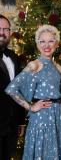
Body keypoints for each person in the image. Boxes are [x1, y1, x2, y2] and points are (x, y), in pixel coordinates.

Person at [6, 25, 61, 160]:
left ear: (56, 44)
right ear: (37, 44)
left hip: (57, 117)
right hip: (42, 118)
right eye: (42, 41)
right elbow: (12, 88)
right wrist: (30, 106)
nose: (47, 45)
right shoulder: (34, 65)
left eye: (51, 41)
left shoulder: (59, 68)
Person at [0, 14, 25, 160]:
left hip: (11, 126)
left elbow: (19, 90)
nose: (2, 32)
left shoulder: (14, 58)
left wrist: (20, 120)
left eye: (6, 29)